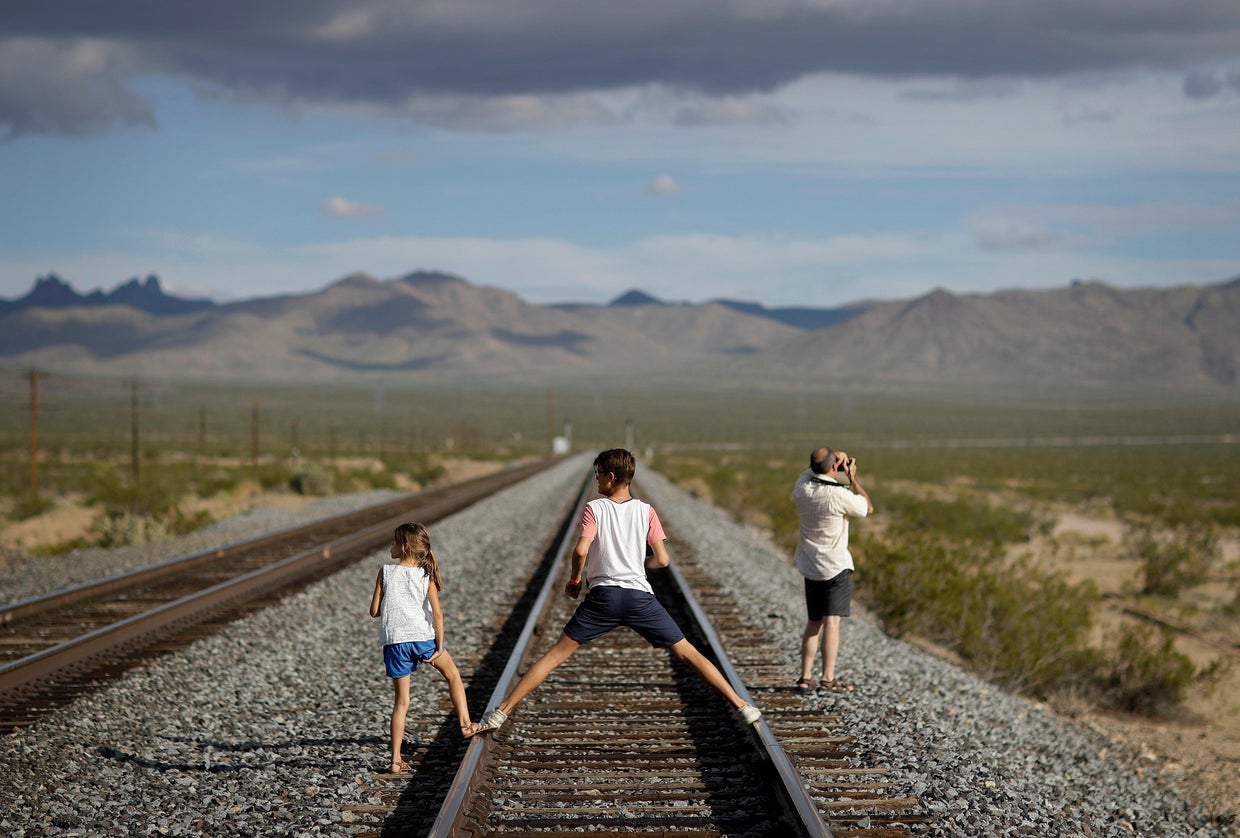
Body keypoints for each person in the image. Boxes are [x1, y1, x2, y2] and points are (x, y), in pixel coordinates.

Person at [477, 448, 761, 732]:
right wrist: (639, 562)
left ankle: (499, 714)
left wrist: (575, 580)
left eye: (598, 474)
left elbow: (580, 551)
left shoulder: (595, 509)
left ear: (611, 477)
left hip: (604, 598)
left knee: (554, 656)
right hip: (640, 598)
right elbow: (662, 559)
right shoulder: (646, 510)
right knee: (688, 652)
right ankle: (742, 706)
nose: (597, 480)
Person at [369, 521, 482, 774]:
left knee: (402, 702)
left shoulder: (384, 573)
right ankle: (465, 724)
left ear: (405, 546)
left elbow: (374, 611)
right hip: (422, 638)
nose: (391, 546)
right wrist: (439, 646)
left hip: (395, 642)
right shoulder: (425, 574)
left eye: (394, 542)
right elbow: (438, 615)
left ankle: (396, 760)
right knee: (453, 675)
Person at [792, 447, 874, 694]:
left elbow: (811, 472)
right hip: (835, 566)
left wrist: (828, 464)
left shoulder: (802, 488)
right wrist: (851, 477)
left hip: (810, 565)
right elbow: (867, 508)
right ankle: (827, 678)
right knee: (832, 623)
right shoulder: (838, 495)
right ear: (834, 468)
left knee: (813, 623)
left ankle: (805, 677)